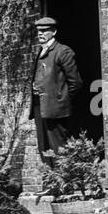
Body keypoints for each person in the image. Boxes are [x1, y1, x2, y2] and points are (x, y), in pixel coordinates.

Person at [30, 16, 82, 164]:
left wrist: (61, 99)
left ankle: (64, 184)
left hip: (56, 108)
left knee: (59, 148)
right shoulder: (40, 52)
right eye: (39, 31)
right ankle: (51, 184)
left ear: (54, 32)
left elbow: (75, 83)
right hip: (40, 106)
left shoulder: (62, 51)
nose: (40, 33)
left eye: (45, 31)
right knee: (44, 149)